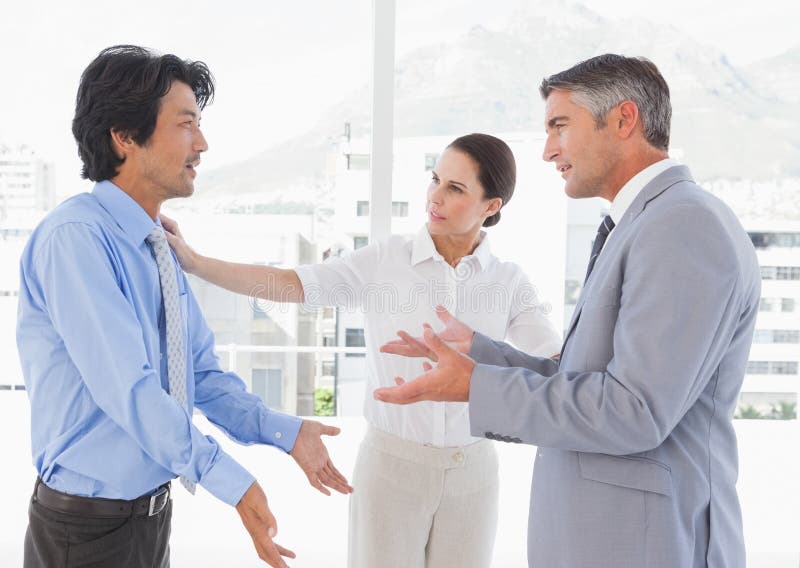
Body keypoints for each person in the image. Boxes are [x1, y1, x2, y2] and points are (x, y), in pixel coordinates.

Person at [375, 54, 760, 568]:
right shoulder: (644, 223)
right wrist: (481, 357)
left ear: (624, 120)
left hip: (644, 545)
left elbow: (634, 411)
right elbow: (589, 380)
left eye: (560, 126)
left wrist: (476, 385)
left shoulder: (683, 226)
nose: (547, 151)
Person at [17, 45, 352, 568]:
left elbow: (197, 374)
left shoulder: (160, 246)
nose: (203, 143)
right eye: (186, 124)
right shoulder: (76, 239)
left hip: (148, 519)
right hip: (83, 530)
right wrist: (231, 482)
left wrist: (285, 432)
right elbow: (131, 390)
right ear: (124, 137)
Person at [161, 132, 561, 567]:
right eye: (435, 179)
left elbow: (554, 365)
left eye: (456, 188)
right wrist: (196, 263)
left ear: (491, 206)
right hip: (392, 469)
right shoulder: (385, 260)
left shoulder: (508, 281)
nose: (435, 197)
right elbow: (293, 285)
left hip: (475, 473)